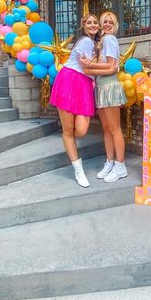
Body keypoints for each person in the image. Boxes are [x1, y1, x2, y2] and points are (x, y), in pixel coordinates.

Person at [49, 14, 116, 188]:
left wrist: (110, 66)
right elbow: (86, 68)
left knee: (81, 129)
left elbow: (90, 68)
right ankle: (78, 169)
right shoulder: (86, 41)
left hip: (84, 85)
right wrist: (111, 67)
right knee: (68, 130)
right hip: (70, 80)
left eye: (95, 22)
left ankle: (70, 144)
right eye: (89, 22)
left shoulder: (96, 44)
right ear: (83, 25)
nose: (93, 25)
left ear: (99, 27)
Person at [80, 11, 127, 183]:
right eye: (104, 21)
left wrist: (90, 67)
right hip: (101, 87)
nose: (107, 24)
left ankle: (120, 166)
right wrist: (90, 68)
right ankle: (110, 161)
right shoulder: (101, 42)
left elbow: (111, 66)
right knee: (106, 129)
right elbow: (109, 67)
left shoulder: (109, 39)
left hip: (109, 87)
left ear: (115, 25)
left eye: (110, 22)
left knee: (114, 129)